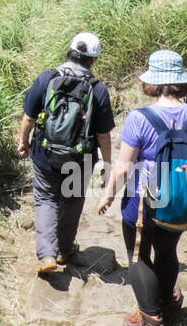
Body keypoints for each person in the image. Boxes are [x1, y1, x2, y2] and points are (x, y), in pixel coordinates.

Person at [97, 50, 187, 326]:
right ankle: (166, 304)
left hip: (145, 203)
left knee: (138, 256)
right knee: (167, 251)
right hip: (183, 201)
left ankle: (151, 322)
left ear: (152, 84)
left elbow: (124, 167)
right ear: (181, 83)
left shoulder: (140, 118)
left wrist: (107, 195)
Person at [17, 33, 115, 274]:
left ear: (69, 51)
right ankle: (64, 250)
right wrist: (107, 164)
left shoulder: (47, 78)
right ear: (94, 59)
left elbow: (28, 117)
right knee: (71, 201)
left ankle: (47, 254)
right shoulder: (98, 89)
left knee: (45, 199)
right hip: (80, 160)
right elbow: (103, 135)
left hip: (45, 154)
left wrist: (23, 141)